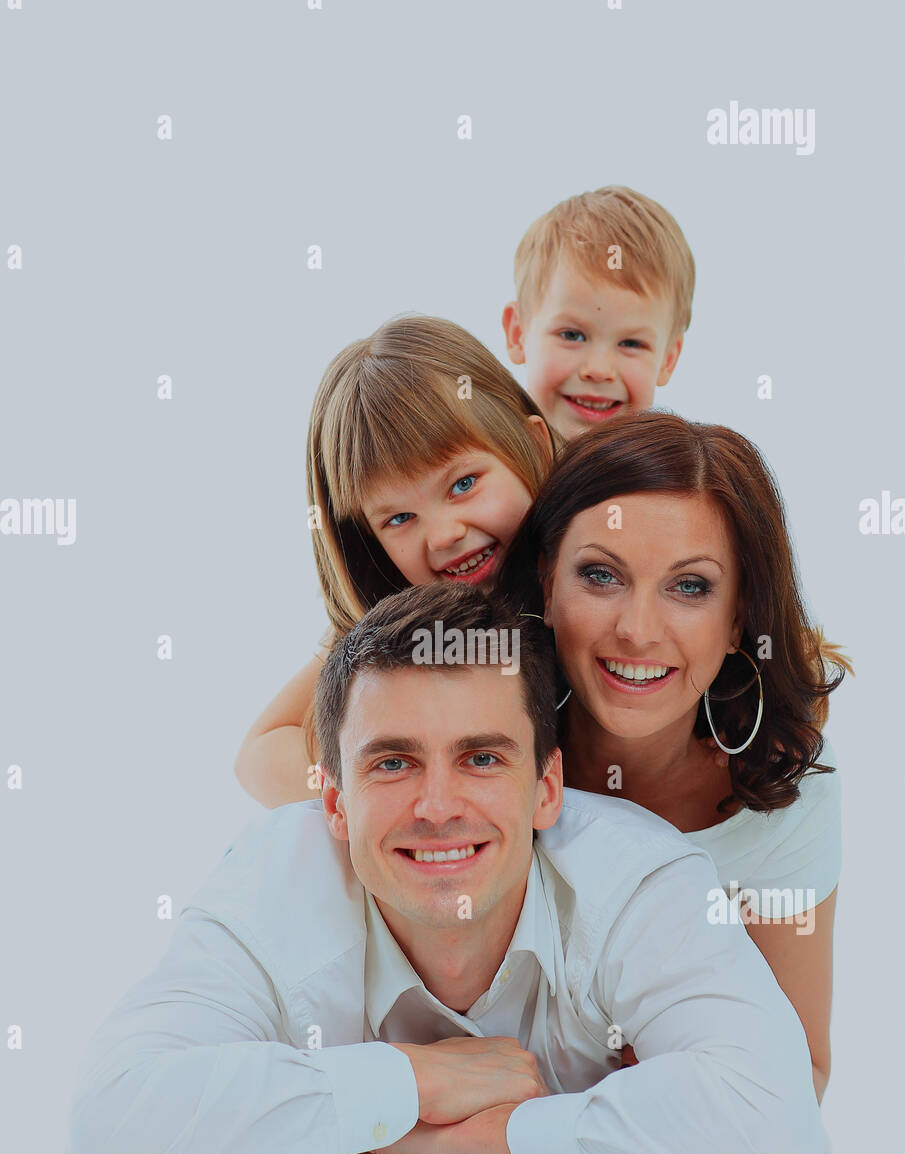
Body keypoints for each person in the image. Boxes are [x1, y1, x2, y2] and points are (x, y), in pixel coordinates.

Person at [66, 583, 826, 1154]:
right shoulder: (275, 878)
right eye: (392, 762)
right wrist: (411, 1080)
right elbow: (108, 1124)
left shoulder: (634, 881)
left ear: (546, 788)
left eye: (482, 759)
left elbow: (776, 1122)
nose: (436, 808)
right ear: (332, 799)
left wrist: (471, 1142)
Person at [497, 411, 852, 1102]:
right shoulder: (481, 733)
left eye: (689, 587)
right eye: (600, 575)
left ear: (739, 616)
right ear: (546, 580)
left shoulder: (786, 793)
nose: (635, 630)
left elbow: (798, 1075)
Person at [234, 314, 557, 807]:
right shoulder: (397, 621)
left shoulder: (595, 557)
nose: (445, 535)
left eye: (463, 484)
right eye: (401, 518)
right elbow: (260, 754)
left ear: (533, 445)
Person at [502, 185, 694, 440]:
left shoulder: (675, 477)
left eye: (631, 343)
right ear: (518, 334)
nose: (599, 370)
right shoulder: (483, 465)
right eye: (572, 335)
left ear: (668, 359)